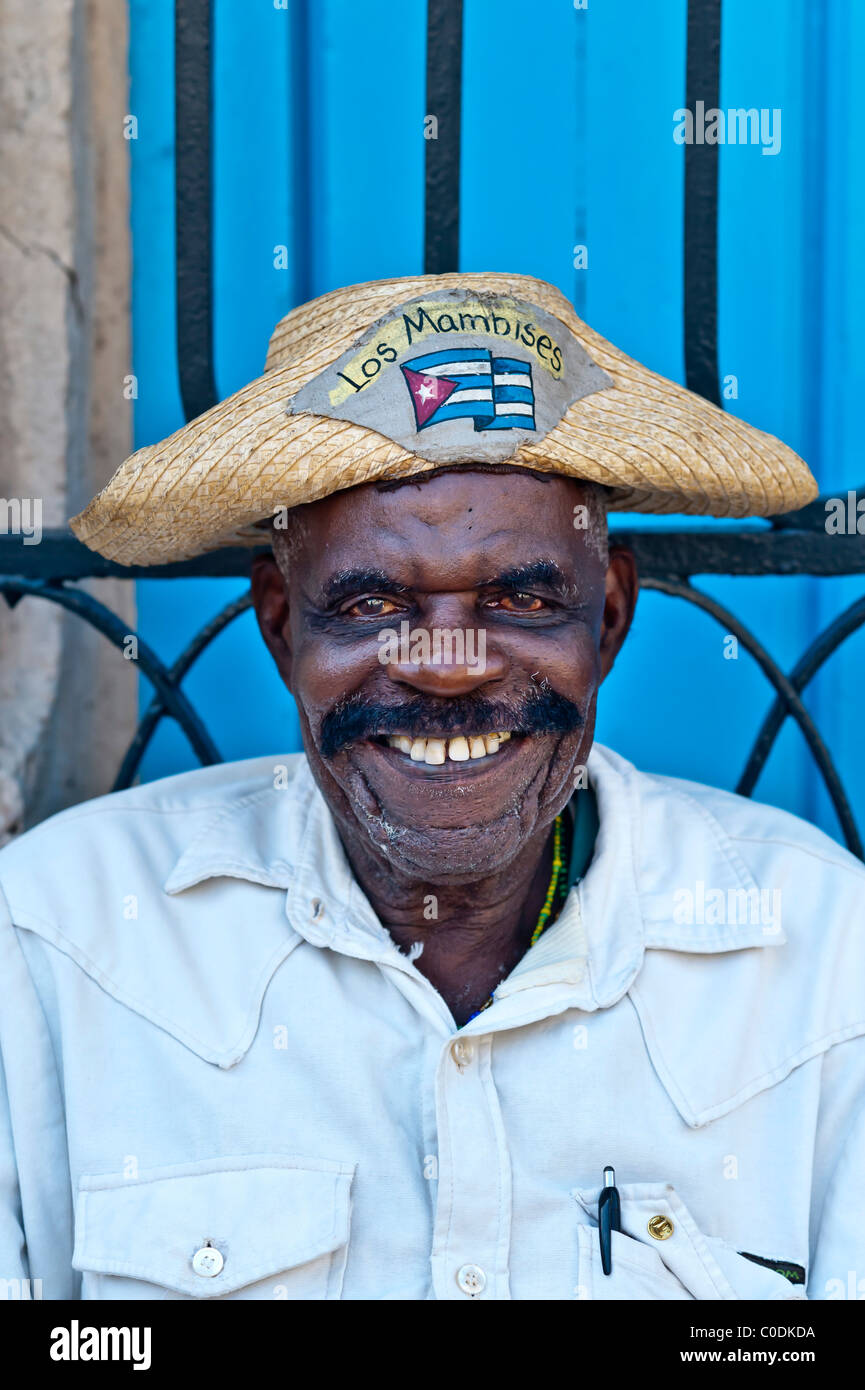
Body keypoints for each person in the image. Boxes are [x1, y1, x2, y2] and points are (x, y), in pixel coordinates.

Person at [1, 273, 862, 1301]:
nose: (448, 663)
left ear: (610, 617)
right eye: (369, 602)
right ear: (281, 625)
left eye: (522, 597)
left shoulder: (817, 957)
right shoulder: (58, 942)